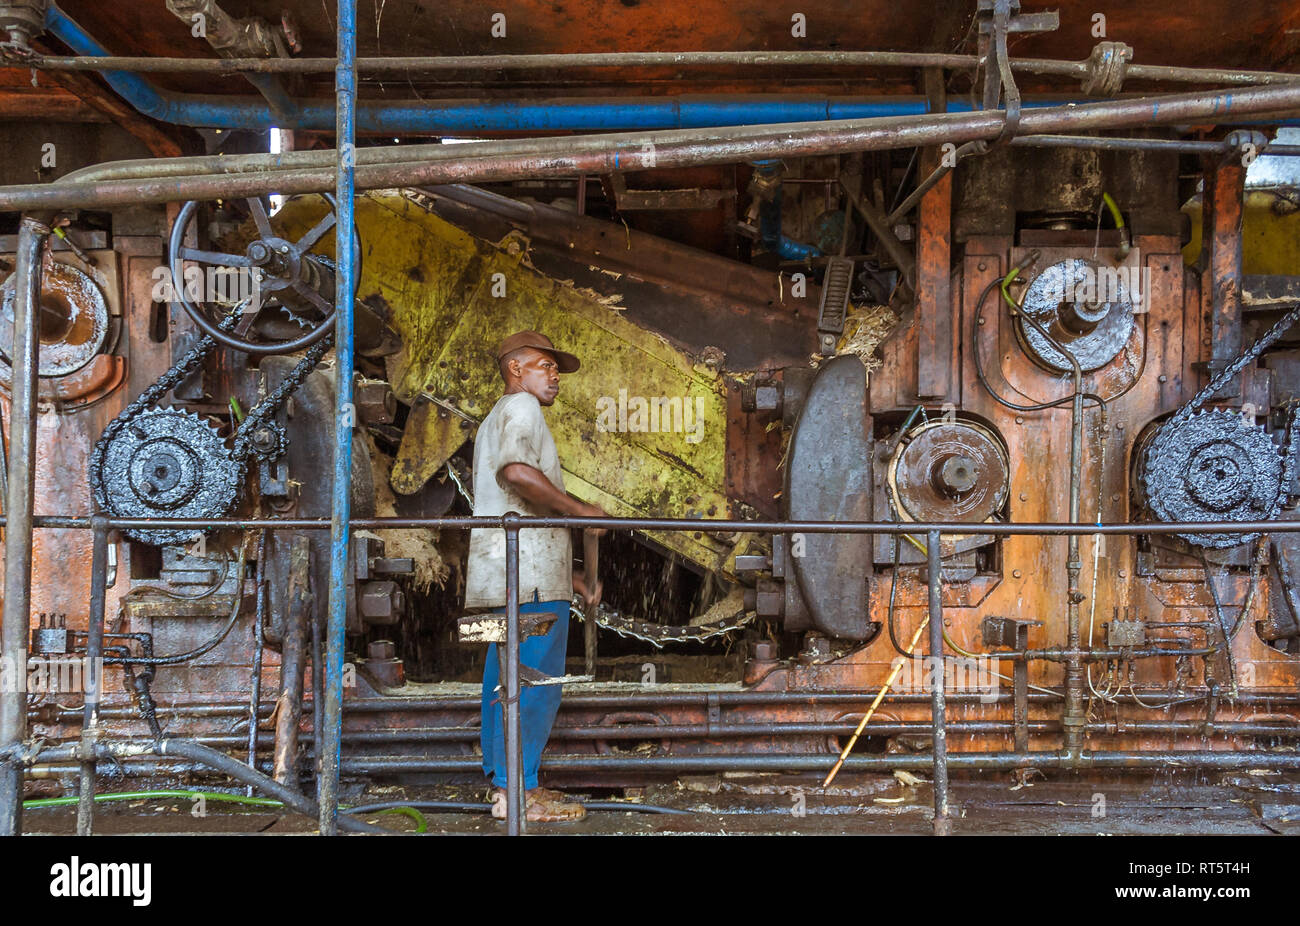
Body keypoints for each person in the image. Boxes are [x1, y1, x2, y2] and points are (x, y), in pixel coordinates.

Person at [463, 330, 606, 823]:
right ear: (515, 368)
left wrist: (573, 575)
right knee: (533, 681)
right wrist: (580, 510)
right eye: (545, 366)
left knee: (503, 681)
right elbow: (517, 474)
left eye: (556, 369)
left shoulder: (492, 420)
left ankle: (504, 789)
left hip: (506, 577)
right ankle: (519, 792)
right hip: (529, 584)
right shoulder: (523, 409)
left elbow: (513, 503)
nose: (555, 377)